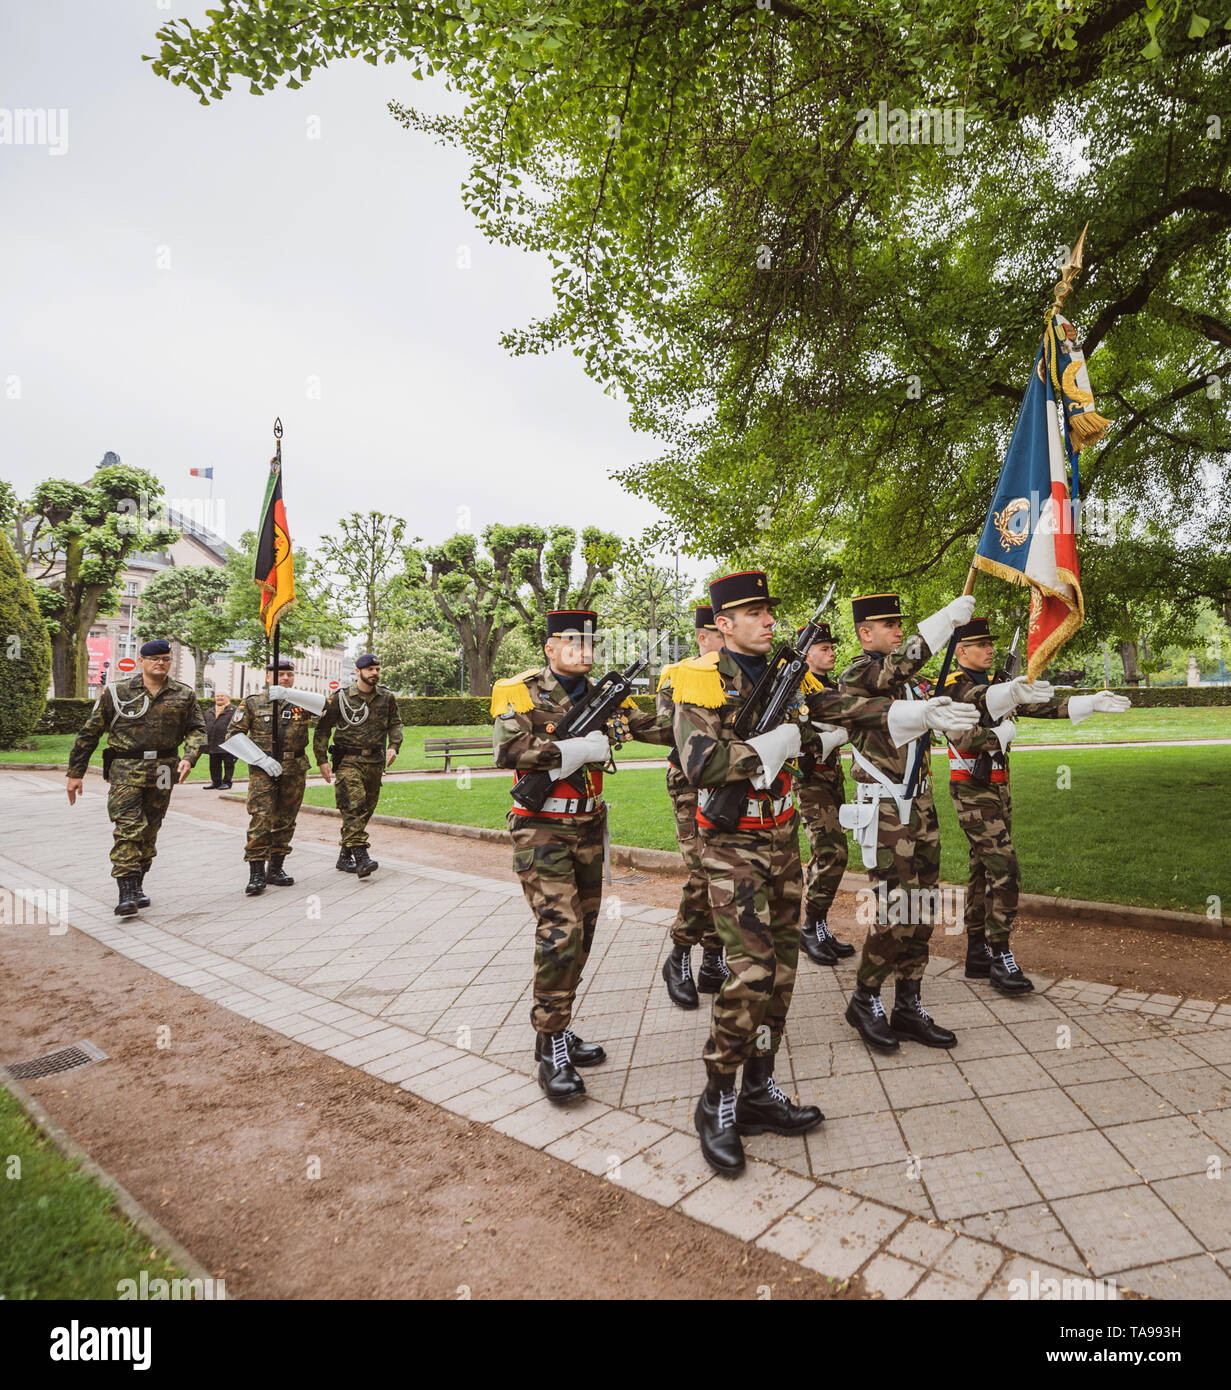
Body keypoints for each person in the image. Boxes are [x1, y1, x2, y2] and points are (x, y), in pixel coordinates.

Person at [672, 571, 980, 1176]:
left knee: (783, 977)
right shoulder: (701, 683)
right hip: (733, 846)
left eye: (768, 611)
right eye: (752, 613)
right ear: (725, 625)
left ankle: (758, 1090)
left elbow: (842, 705)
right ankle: (717, 1100)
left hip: (783, 837)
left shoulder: (791, 680)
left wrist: (916, 715)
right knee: (752, 973)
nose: (766, 620)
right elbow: (701, 763)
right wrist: (771, 746)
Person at [837, 592, 1038, 1052]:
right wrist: (945, 621)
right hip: (886, 808)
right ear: (865, 633)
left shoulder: (916, 684)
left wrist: (1004, 708)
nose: (896, 631)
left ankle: (908, 1002)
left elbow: (966, 705)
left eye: (899, 624)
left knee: (924, 908)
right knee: (894, 909)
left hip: (921, 807)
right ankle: (865, 998)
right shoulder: (861, 675)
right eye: (887, 625)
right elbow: (896, 668)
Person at [492, 609, 671, 1104]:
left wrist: (695, 716)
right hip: (541, 826)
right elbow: (507, 751)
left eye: (590, 642)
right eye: (573, 642)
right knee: (561, 930)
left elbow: (651, 728)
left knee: (584, 930)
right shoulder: (520, 690)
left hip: (589, 822)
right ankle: (550, 1043)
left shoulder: (605, 694)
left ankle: (561, 1024)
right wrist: (575, 750)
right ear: (550, 648)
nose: (584, 650)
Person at [944, 618, 1132, 992]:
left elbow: (1038, 705)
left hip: (999, 788)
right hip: (971, 790)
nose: (989, 649)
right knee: (1006, 868)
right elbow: (960, 734)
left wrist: (1087, 703)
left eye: (990, 644)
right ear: (961, 651)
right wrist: (997, 734)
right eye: (980, 644)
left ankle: (977, 952)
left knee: (982, 869)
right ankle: (1000, 954)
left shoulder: (996, 682)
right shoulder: (954, 686)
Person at [65, 639, 206, 916]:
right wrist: (75, 773)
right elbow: (89, 733)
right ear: (141, 660)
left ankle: (138, 882)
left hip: (165, 768)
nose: (161, 663)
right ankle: (126, 891)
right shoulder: (117, 692)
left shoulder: (183, 694)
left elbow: (197, 730)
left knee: (151, 828)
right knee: (129, 827)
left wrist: (189, 757)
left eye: (166, 658)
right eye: (155, 659)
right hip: (127, 767)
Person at [657, 605, 730, 1009]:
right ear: (704, 638)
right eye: (720, 634)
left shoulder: (738, 674)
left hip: (730, 781)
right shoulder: (680, 675)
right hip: (689, 781)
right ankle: (680, 953)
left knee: (722, 869)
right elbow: (671, 728)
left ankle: (713, 959)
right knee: (703, 869)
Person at [225, 657, 323, 895]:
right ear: (268, 677)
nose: (285, 678)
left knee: (286, 820)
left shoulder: (300, 702)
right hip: (263, 770)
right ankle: (256, 872)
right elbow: (233, 735)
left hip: (295, 767)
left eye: (289, 674)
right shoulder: (253, 703)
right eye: (279, 675)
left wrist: (292, 694)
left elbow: (325, 707)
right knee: (261, 818)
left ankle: (276, 868)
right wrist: (261, 759)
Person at [794, 621, 857, 967]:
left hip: (831, 777)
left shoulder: (831, 686)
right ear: (807, 654)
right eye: (824, 649)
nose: (831, 653)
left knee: (830, 852)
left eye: (832, 648)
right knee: (832, 851)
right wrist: (830, 736)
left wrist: (834, 734)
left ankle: (818, 925)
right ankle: (810, 927)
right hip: (810, 781)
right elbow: (800, 735)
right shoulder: (798, 689)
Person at [313, 654, 403, 878]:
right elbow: (323, 729)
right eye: (370, 669)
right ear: (358, 671)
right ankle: (361, 857)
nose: (375, 673)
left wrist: (394, 745)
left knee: (366, 810)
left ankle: (345, 856)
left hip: (374, 761)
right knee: (354, 806)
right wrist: (322, 760)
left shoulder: (386, 697)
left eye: (378, 669)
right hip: (348, 761)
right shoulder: (341, 698)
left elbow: (395, 723)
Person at [203, 691, 237, 788]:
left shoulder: (234, 710)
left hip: (228, 742)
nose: (219, 698)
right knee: (213, 764)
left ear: (228, 697)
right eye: (217, 696)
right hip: (213, 742)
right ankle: (216, 782)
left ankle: (227, 782)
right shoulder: (209, 711)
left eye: (222, 696)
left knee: (228, 764)